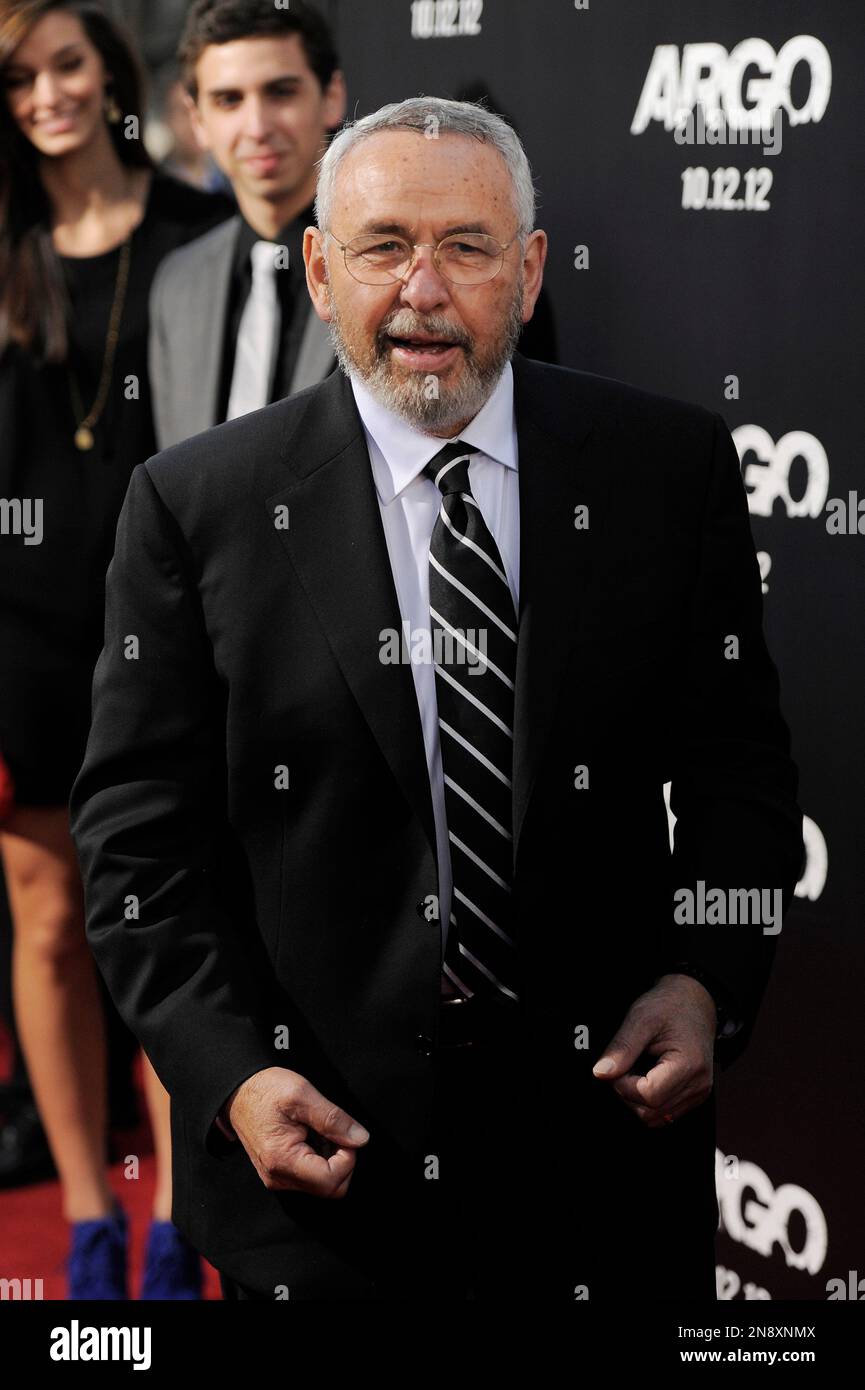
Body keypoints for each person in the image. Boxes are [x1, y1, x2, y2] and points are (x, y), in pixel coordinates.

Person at [69, 97, 805, 1302]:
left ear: (525, 272)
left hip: (600, 1152)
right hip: (319, 1171)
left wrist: (705, 978)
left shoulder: (665, 471)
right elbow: (137, 841)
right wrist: (235, 1075)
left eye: (466, 247)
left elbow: (739, 768)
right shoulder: (194, 505)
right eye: (382, 246)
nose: (422, 289)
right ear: (318, 268)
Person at [0, 0, 233, 1298]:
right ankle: (91, 1214)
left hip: (168, 633)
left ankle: (177, 1212)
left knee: (168, 921)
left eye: (68, 64)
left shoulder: (196, 232)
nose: (48, 95)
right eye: (21, 77)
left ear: (112, 72)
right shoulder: (2, 245)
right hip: (22, 644)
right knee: (47, 934)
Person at [147, 0, 346, 451]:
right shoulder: (177, 284)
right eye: (228, 99)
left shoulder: (389, 265)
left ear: (331, 96)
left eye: (281, 92)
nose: (257, 126)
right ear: (197, 119)